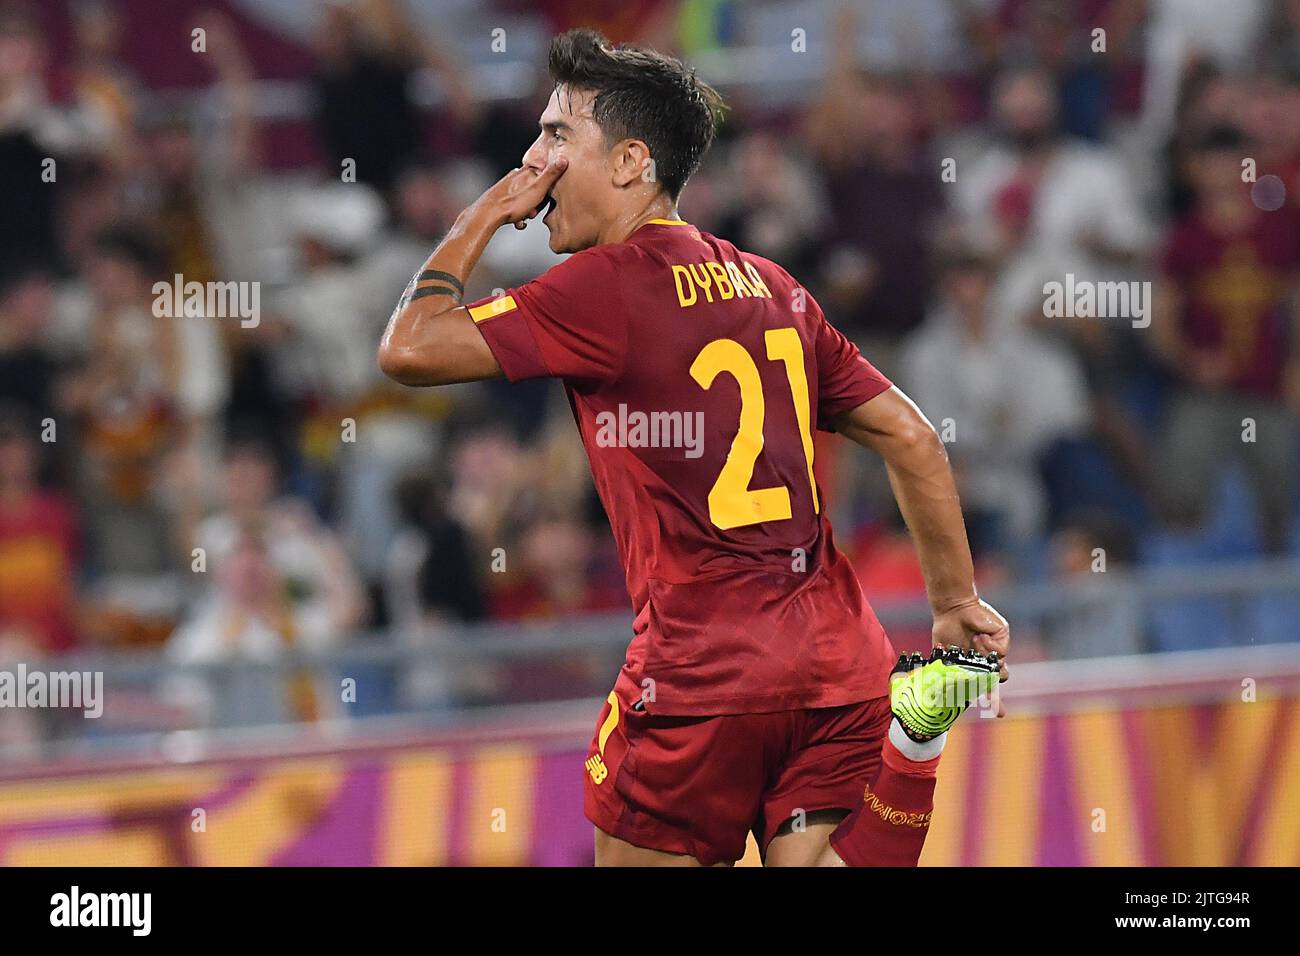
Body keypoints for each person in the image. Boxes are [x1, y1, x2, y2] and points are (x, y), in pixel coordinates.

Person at [378, 29, 1009, 868]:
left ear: (633, 161)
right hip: (837, 656)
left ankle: (916, 739)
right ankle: (916, 740)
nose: (532, 162)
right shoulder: (776, 285)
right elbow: (913, 436)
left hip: (698, 678)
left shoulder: (601, 287)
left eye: (556, 136)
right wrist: (955, 601)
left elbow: (408, 348)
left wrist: (480, 214)